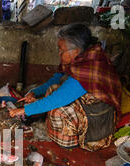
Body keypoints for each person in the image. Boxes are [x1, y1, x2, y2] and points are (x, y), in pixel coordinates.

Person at [9, 23, 122, 152]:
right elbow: (54, 81)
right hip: (89, 109)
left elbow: (58, 99)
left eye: (62, 50)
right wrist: (34, 92)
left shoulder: (87, 68)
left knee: (57, 110)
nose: (59, 53)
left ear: (76, 50)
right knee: (53, 90)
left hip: (98, 125)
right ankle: (68, 132)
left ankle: (70, 143)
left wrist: (24, 110)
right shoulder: (80, 59)